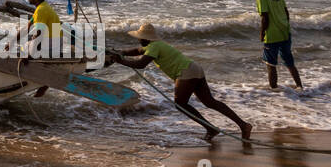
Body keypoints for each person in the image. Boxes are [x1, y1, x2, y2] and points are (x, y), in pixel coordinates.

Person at [108, 24, 252, 142]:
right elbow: (136, 51)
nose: (139, 40)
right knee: (209, 102)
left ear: (145, 38)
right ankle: (243, 125)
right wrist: (121, 52)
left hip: (186, 72)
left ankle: (211, 128)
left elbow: (140, 64)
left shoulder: (153, 47)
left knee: (180, 104)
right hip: (195, 68)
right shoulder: (155, 45)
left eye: (140, 38)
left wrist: (120, 60)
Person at [253, 0, 302, 89]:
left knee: (270, 64)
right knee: (289, 62)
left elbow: (265, 17)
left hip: (272, 34)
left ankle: (274, 89)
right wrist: (285, 25)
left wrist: (262, 33)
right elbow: (286, 12)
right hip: (285, 32)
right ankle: (300, 86)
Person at [24, 0, 63, 96]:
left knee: (25, 49)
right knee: (27, 44)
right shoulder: (42, 7)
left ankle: (41, 80)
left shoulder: (41, 10)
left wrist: (30, 55)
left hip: (52, 43)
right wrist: (11, 42)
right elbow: (27, 27)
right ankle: (43, 84)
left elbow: (39, 34)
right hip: (56, 41)